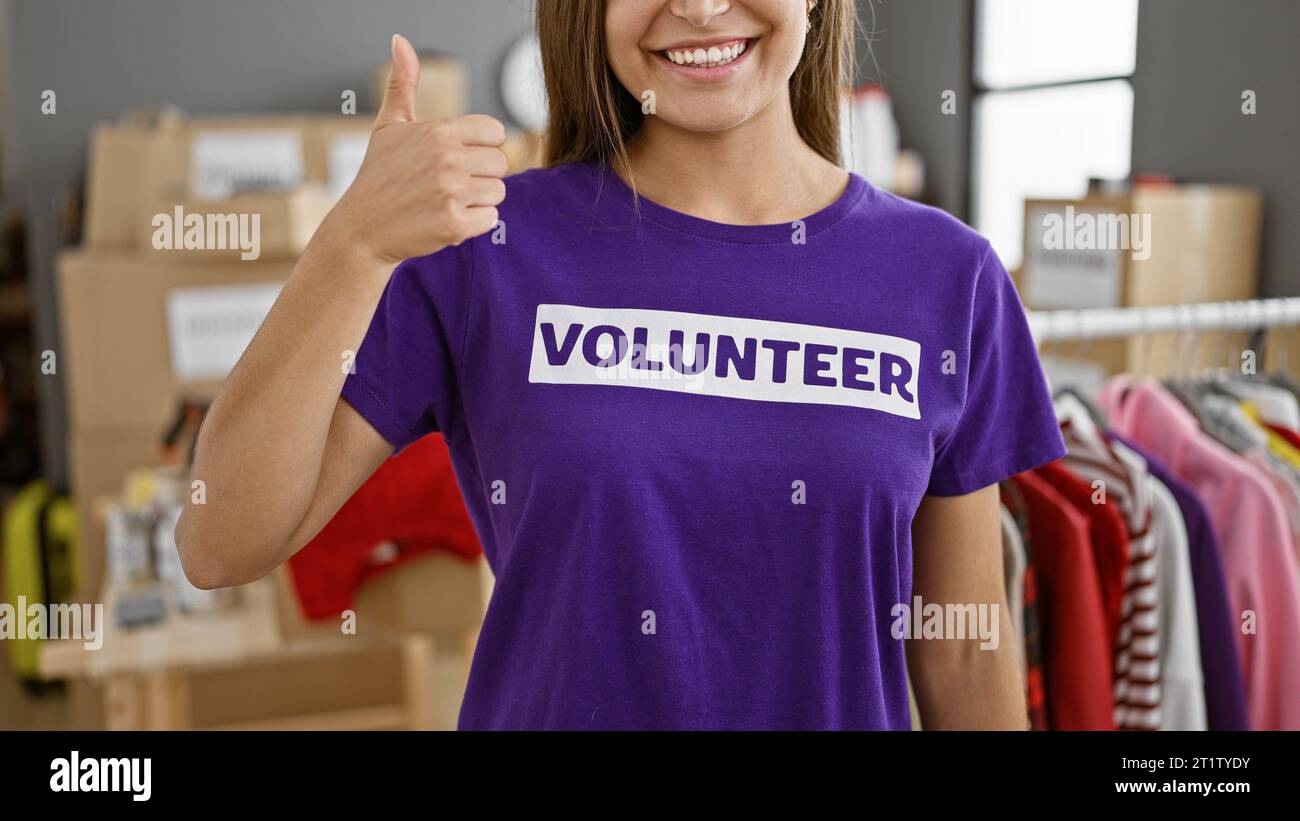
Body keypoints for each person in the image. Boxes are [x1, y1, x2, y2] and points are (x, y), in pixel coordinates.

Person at [176, 0, 1066, 730]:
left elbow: (963, 650)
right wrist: (352, 244)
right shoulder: (485, 249)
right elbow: (220, 542)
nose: (700, 7)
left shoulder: (950, 279)